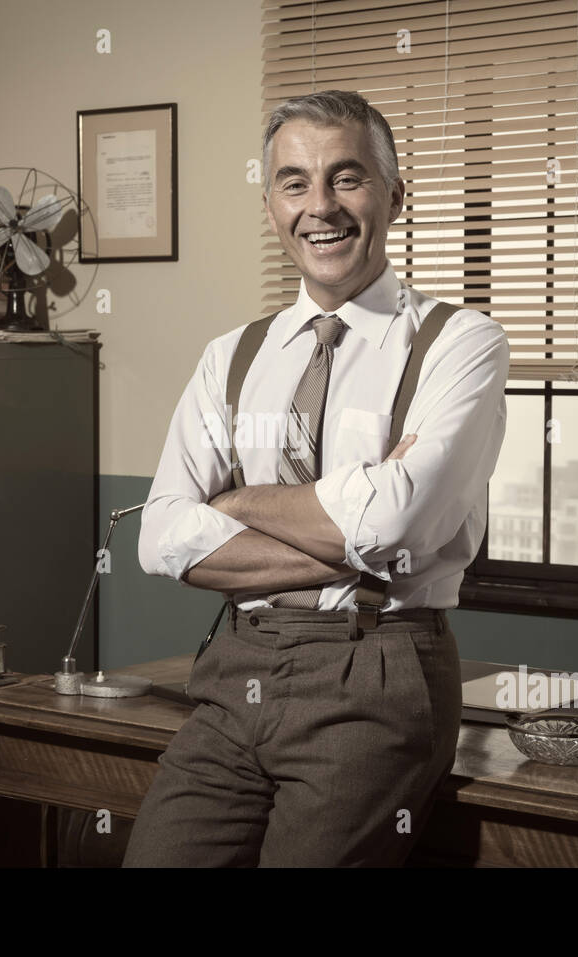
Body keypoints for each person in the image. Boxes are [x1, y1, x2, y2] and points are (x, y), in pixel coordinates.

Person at [124, 90, 509, 867]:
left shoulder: (460, 343)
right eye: (294, 182)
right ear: (270, 204)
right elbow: (160, 534)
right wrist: (363, 527)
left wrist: (231, 504)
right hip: (235, 666)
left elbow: (397, 521)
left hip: (377, 670)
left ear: (397, 194)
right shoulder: (229, 357)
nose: (320, 206)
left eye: (348, 177)